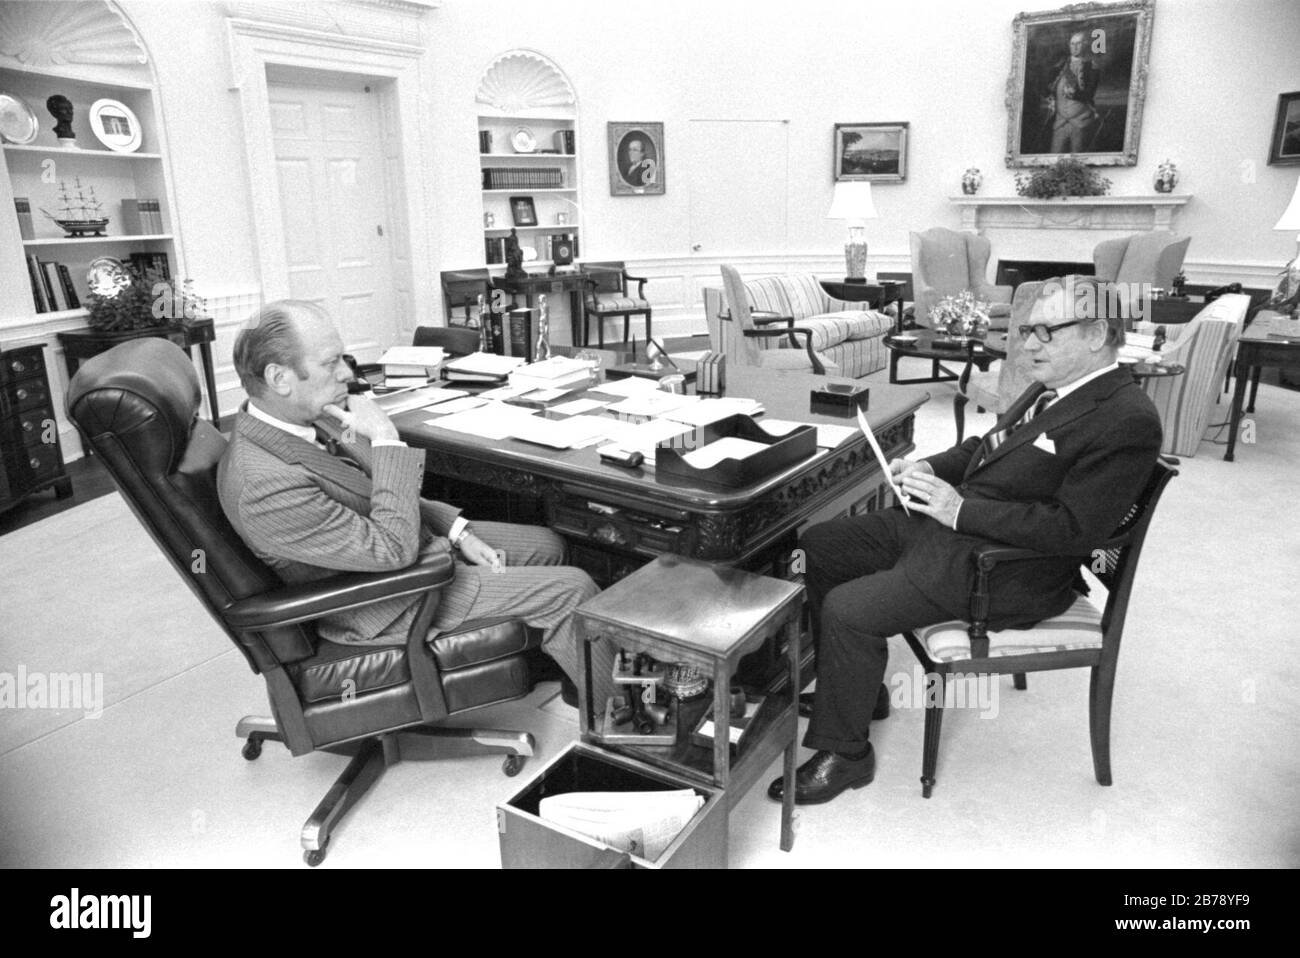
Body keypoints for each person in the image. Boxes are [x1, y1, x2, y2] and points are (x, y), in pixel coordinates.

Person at [769, 276, 1162, 806]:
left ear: (1097, 335)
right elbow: (987, 446)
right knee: (823, 544)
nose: (1027, 344)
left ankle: (847, 755)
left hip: (1007, 571)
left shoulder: (1126, 418)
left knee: (849, 608)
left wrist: (959, 510)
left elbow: (1075, 530)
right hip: (957, 533)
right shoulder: (1054, 387)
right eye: (1027, 330)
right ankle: (861, 690)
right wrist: (930, 465)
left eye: (1046, 332)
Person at [218, 300, 598, 686]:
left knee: (550, 547)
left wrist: (457, 532)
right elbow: (392, 549)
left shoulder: (302, 418)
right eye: (330, 363)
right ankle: (625, 728)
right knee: (572, 590)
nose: (347, 373)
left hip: (413, 548)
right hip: (393, 598)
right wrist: (384, 438)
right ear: (279, 378)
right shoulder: (263, 485)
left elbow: (378, 491)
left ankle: (568, 662)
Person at [1043, 30, 1100, 153]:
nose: (1074, 47)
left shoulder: (1091, 67)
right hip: (1060, 123)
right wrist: (1050, 98)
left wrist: (1074, 94)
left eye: (1078, 43)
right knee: (1054, 159)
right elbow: (1046, 88)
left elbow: (1089, 94)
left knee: (1078, 161)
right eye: (1072, 43)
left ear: (1085, 44)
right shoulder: (1060, 66)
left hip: (1081, 123)